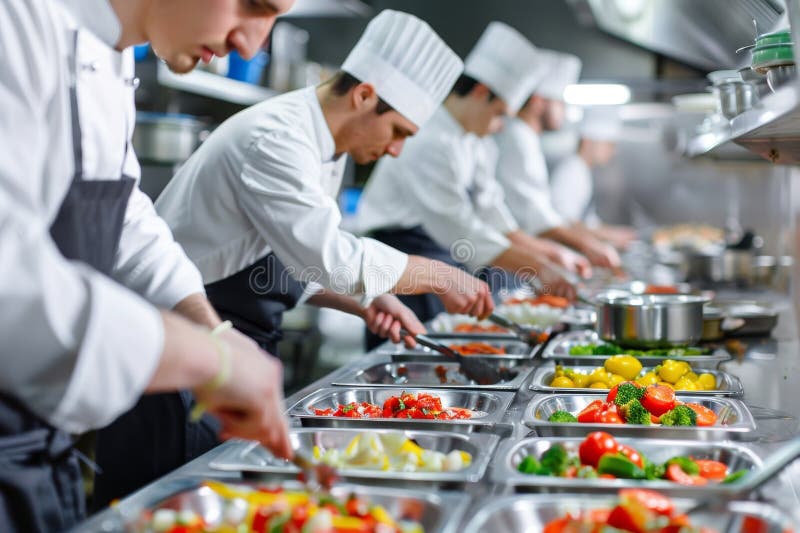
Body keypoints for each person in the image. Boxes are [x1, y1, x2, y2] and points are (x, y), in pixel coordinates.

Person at [0, 0, 296, 529]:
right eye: (253, 5)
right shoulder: (15, 22)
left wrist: (213, 330)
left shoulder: (116, 55)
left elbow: (127, 219)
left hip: (41, 453)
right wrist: (209, 361)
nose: (251, 45)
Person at [155, 9, 493, 362]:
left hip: (234, 331)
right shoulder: (280, 139)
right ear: (363, 96)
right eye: (398, 132)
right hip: (185, 333)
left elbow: (291, 259)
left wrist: (368, 301)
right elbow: (332, 260)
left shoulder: (324, 145)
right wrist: (436, 274)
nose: (395, 150)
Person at [355, 21, 583, 330]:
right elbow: (459, 228)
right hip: (405, 260)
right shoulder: (429, 139)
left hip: (444, 257)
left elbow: (493, 213)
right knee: (408, 355)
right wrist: (538, 268)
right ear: (480, 92)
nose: (501, 125)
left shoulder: (476, 142)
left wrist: (548, 256)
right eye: (500, 113)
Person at [493, 49, 624, 269]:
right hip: (510, 256)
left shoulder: (526, 139)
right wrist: (586, 245)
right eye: (560, 103)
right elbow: (536, 216)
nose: (564, 112)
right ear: (538, 102)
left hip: (520, 251)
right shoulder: (518, 139)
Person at [550, 106, 637, 248]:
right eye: (608, 144)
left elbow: (587, 222)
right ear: (587, 142)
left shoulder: (582, 170)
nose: (613, 151)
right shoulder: (571, 172)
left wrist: (613, 233)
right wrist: (611, 236)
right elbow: (564, 224)